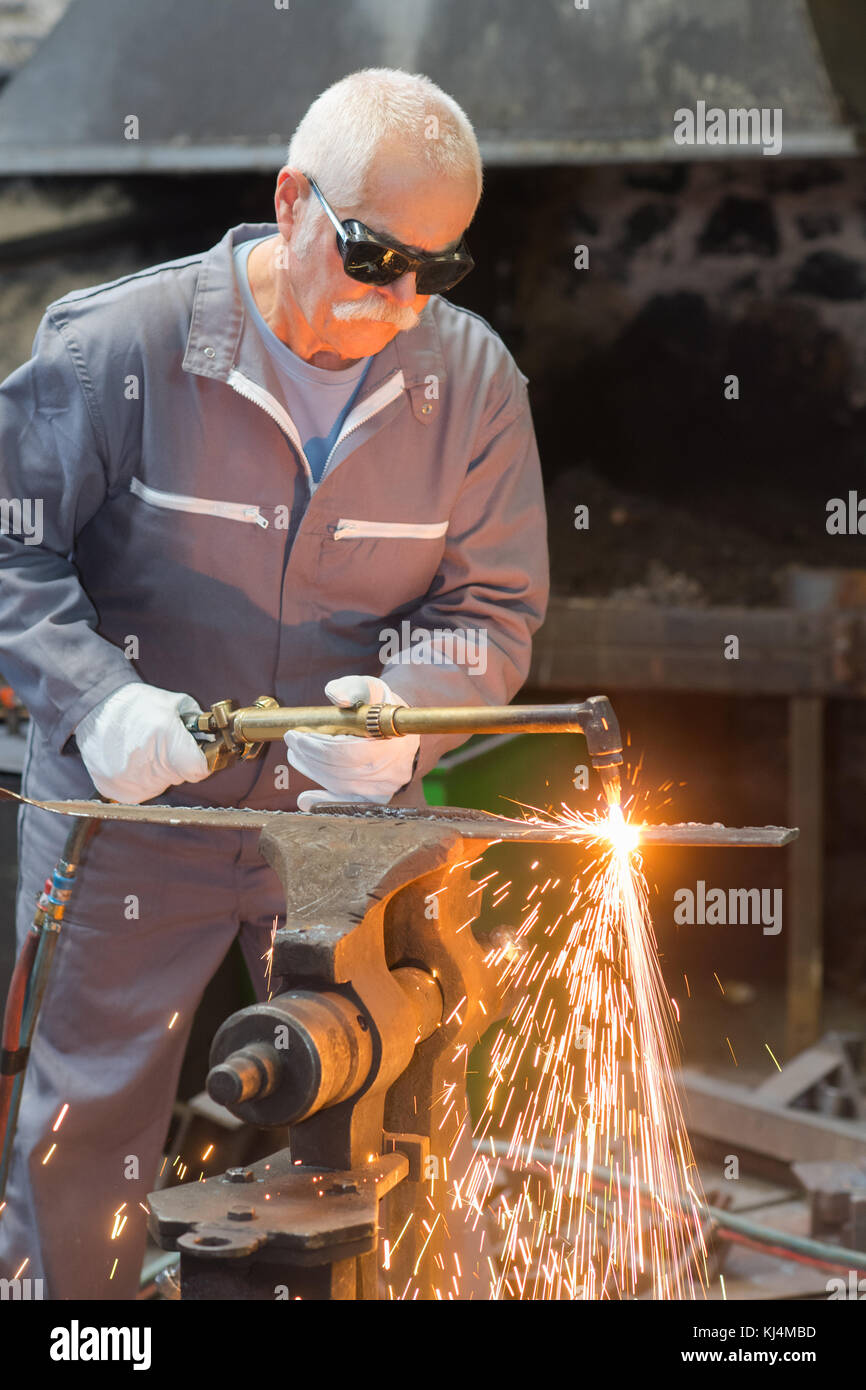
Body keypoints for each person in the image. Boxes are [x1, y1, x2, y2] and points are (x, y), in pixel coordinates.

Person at [0, 68, 549, 1298]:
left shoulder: (469, 386)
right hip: (137, 812)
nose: (402, 303)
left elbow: (491, 607)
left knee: (399, 1109)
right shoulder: (119, 347)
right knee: (87, 1121)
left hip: (346, 822)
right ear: (292, 200)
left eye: (439, 271)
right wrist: (98, 699)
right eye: (373, 259)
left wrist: (407, 714)